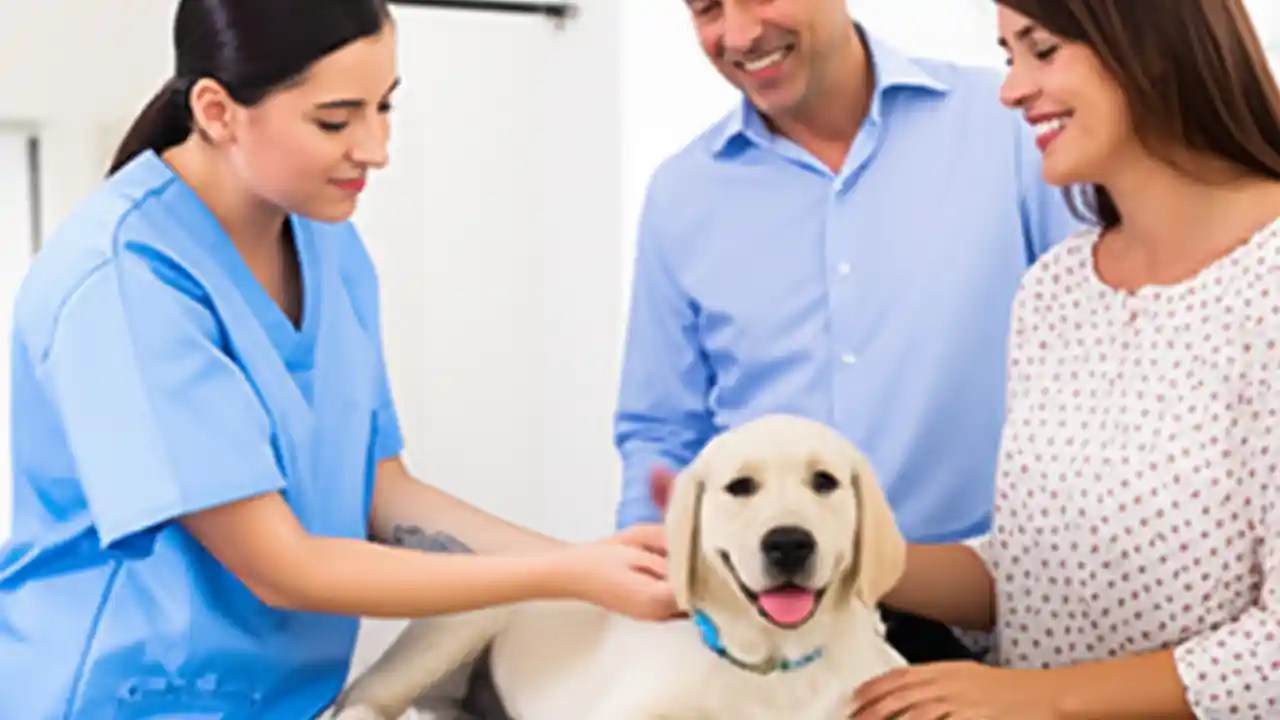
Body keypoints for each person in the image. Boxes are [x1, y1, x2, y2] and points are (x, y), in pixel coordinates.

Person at [0, 1, 676, 717]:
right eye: (336, 119)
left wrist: (605, 568)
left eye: (384, 107)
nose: (376, 147)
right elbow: (283, 567)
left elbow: (383, 492)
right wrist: (566, 576)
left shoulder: (327, 243)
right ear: (217, 110)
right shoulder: (124, 282)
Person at [613, 0, 1081, 660]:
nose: (740, 34)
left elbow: (1103, 361)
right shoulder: (682, 196)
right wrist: (656, 592)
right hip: (772, 638)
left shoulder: (1012, 127)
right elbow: (663, 429)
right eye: (708, 8)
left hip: (997, 621)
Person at [851, 1, 1280, 718]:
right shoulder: (1055, 290)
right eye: (1008, 56)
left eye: (1043, 50)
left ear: (1154, 45)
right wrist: (840, 553)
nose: (1011, 89)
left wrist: (1036, 700)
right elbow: (1034, 576)